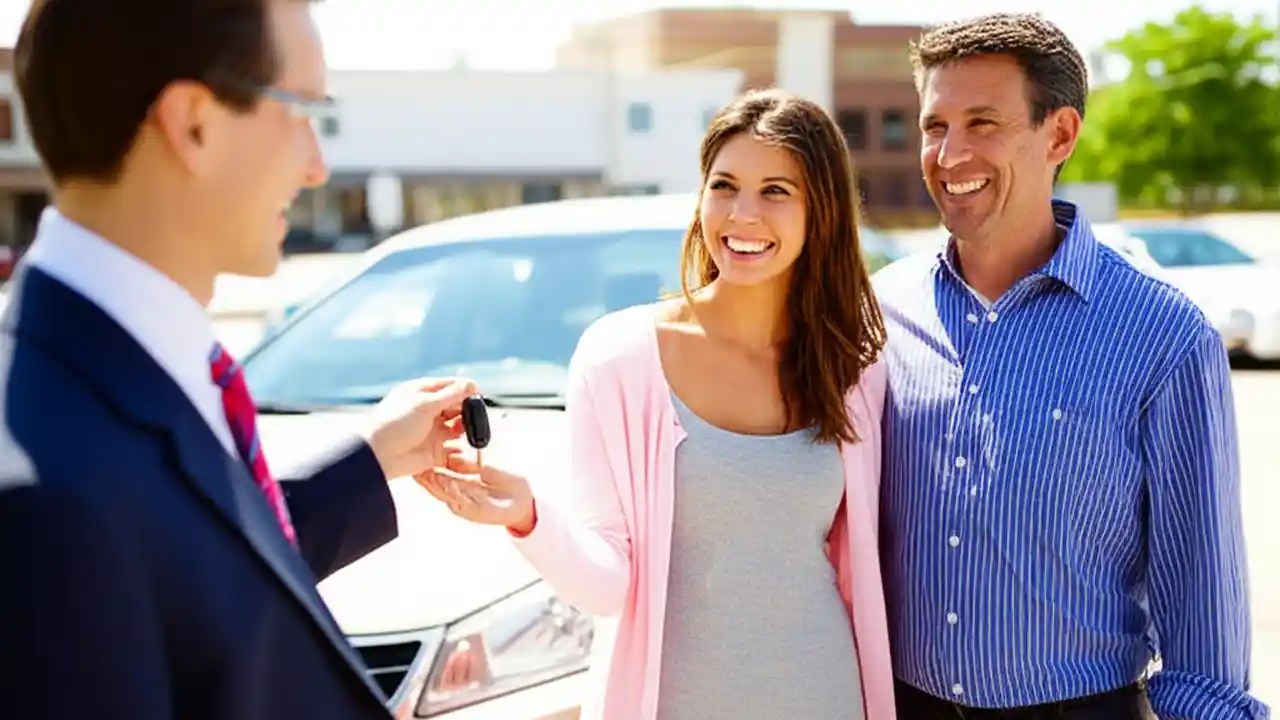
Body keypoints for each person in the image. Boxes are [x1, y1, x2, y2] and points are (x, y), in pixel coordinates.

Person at [0, 1, 475, 719]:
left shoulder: (110, 378)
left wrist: (371, 459)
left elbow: (190, 571)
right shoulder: (44, 511)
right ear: (193, 123)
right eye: (303, 111)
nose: (317, 167)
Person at [419, 88, 897, 720]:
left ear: (823, 212)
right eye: (724, 186)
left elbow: (871, 567)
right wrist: (529, 516)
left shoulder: (855, 367)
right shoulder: (621, 358)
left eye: (776, 191)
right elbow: (607, 584)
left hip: (826, 697)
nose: (742, 214)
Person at [874, 12, 1269, 720]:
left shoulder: (1162, 335)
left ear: (1059, 135)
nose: (948, 153)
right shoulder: (879, 313)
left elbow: (1201, 597)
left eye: (983, 123)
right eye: (936, 126)